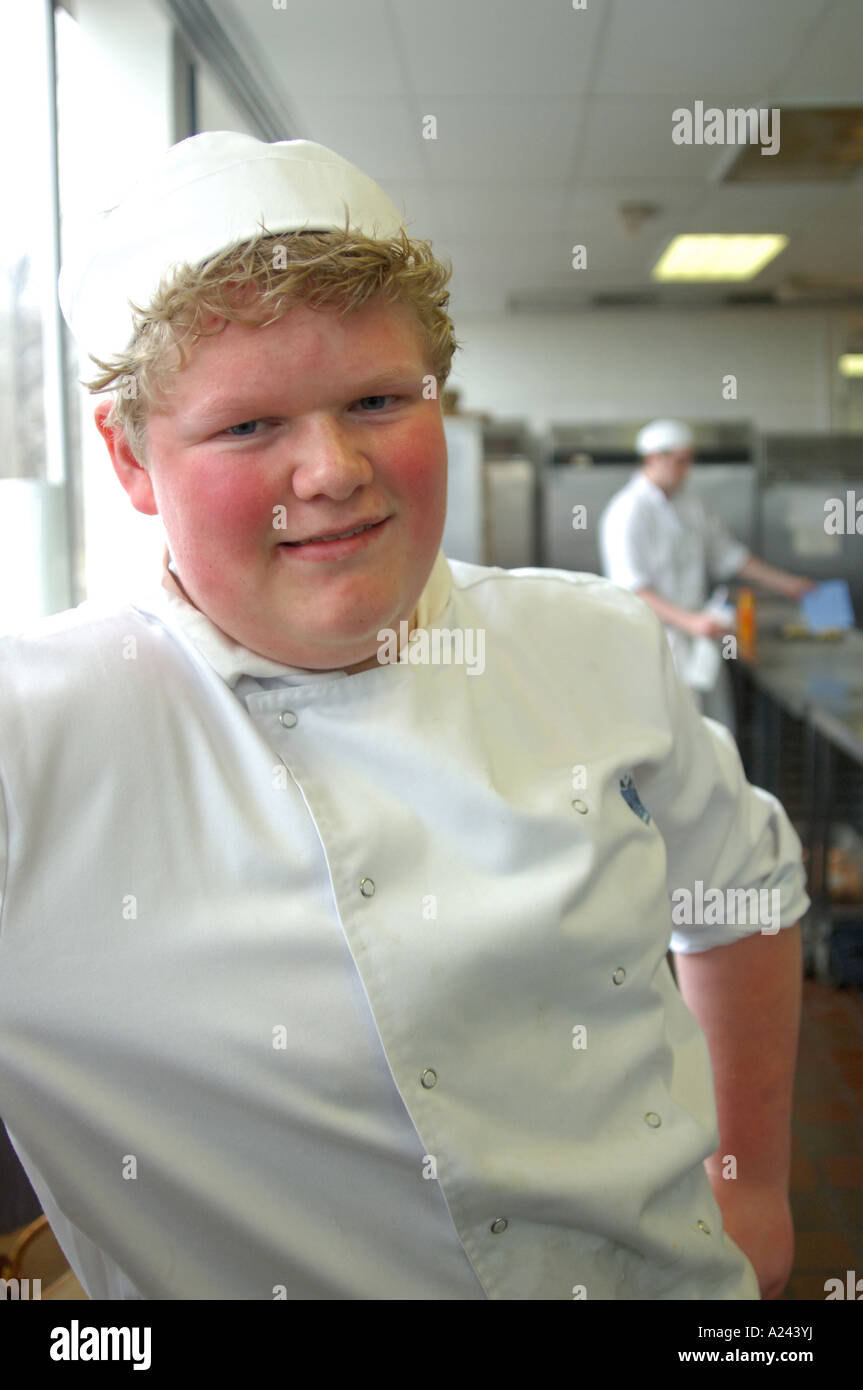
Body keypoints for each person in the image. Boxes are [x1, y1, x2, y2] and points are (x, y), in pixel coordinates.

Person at [0, 133, 808, 1301]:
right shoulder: (38, 737)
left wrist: (751, 1188)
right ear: (129, 458)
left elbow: (742, 887)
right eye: (248, 427)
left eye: (375, 399)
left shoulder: (591, 642)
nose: (330, 469)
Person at [598, 418, 815, 729]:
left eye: (689, 461)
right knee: (671, 739)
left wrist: (789, 584)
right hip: (654, 642)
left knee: (714, 733)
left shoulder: (691, 504)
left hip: (700, 642)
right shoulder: (627, 511)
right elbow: (632, 587)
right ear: (654, 458)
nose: (687, 469)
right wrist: (692, 622)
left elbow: (729, 556)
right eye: (680, 461)